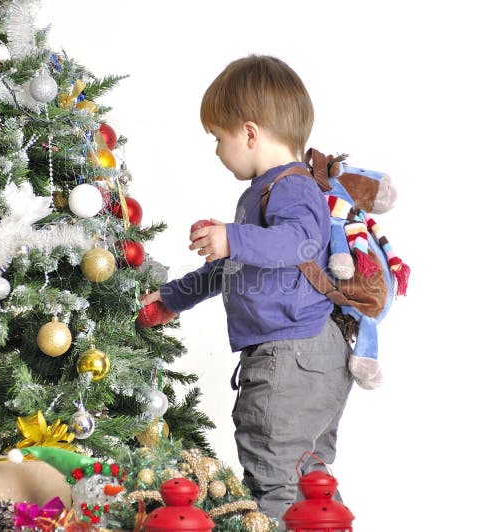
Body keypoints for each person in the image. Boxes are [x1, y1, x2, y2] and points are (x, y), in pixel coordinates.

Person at [139, 55, 353, 525]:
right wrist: (174, 297)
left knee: (273, 479)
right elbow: (236, 267)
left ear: (250, 133)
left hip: (291, 354)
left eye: (219, 138)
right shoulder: (266, 192)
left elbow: (300, 241)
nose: (218, 150)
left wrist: (233, 236)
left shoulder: (291, 187)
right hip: (310, 353)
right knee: (310, 481)